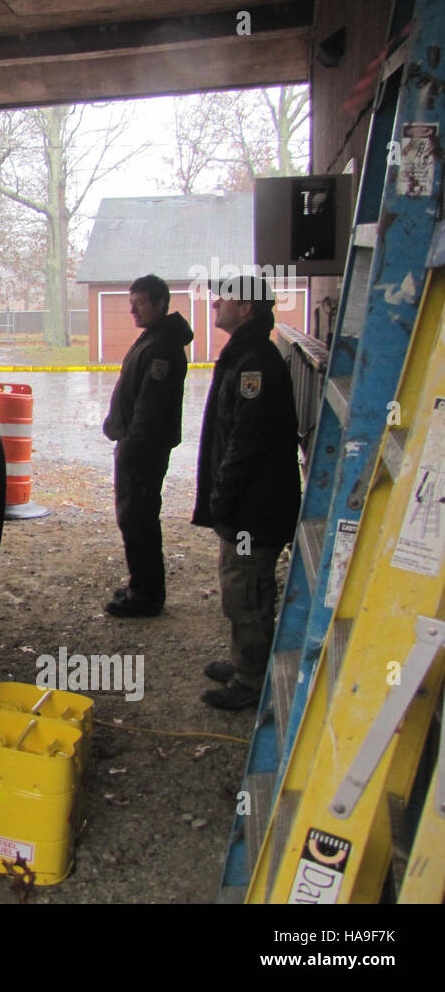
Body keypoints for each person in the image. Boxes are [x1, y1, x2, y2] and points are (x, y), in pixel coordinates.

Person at [192, 275, 301, 710]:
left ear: (248, 310)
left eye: (227, 299)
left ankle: (252, 680)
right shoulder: (245, 353)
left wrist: (223, 495)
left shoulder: (254, 361)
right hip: (249, 504)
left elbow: (246, 439)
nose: (217, 303)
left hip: (254, 509)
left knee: (247, 591)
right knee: (238, 583)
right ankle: (245, 661)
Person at [102, 274, 194, 617]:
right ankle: (140, 584)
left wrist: (131, 445)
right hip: (136, 445)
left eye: (139, 303)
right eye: (131, 302)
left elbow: (151, 409)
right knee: (135, 517)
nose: (132, 310)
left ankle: (147, 595)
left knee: (138, 518)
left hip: (143, 449)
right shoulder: (155, 339)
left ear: (160, 303)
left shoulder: (162, 347)